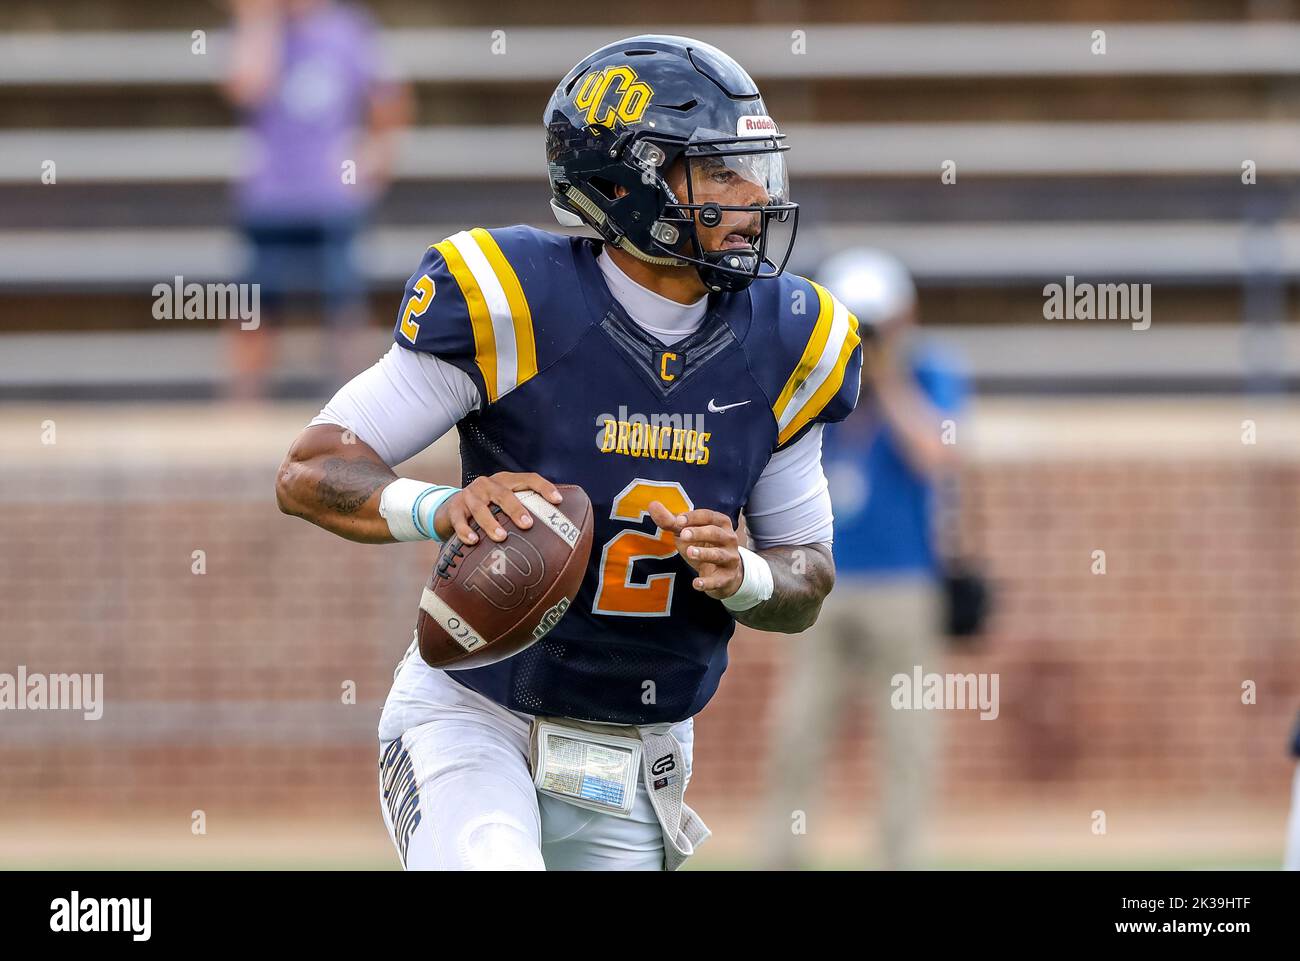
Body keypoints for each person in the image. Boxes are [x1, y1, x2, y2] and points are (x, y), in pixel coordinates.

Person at [275, 35, 863, 870]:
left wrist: (749, 574)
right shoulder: (515, 300)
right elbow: (310, 469)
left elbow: (808, 577)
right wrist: (441, 506)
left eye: (755, 169)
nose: (752, 199)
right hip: (476, 717)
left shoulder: (790, 340)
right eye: (720, 172)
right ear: (628, 182)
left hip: (637, 751)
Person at [761, 248, 968, 870]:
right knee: (798, 731)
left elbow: (936, 455)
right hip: (822, 579)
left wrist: (887, 378)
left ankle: (899, 860)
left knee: (908, 741)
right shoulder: (814, 380)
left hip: (905, 585)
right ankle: (783, 856)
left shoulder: (928, 373)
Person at [223, 0, 412, 400]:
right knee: (254, 310)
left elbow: (390, 99)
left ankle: (363, 411)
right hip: (269, 197)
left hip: (331, 198)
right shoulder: (262, 31)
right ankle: (242, 410)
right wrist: (257, 21)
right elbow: (245, 88)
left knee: (345, 308)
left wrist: (376, 159)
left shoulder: (350, 30)